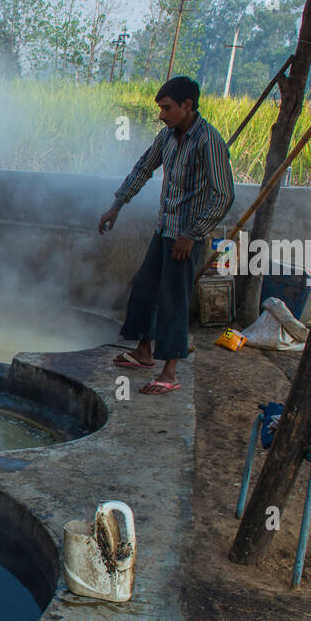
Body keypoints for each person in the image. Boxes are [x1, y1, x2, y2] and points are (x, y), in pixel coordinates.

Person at [98, 75, 234, 395]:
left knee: (174, 300)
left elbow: (224, 194)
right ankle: (144, 352)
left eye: (167, 108)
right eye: (160, 108)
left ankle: (170, 371)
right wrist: (117, 204)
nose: (162, 114)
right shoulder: (168, 136)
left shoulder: (208, 141)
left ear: (188, 106)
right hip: (165, 229)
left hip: (186, 237)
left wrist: (192, 233)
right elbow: (144, 167)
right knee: (146, 288)